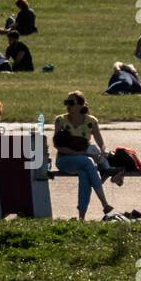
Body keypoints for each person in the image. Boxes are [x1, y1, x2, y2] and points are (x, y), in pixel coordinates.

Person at [53, 91, 115, 220]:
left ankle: (82, 216)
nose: (68, 106)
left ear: (81, 105)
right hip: (64, 160)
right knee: (87, 162)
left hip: (84, 160)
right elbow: (57, 146)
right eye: (66, 103)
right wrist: (78, 153)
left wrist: (102, 154)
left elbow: (101, 143)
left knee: (85, 174)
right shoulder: (60, 120)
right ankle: (104, 203)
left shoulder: (91, 121)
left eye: (71, 103)